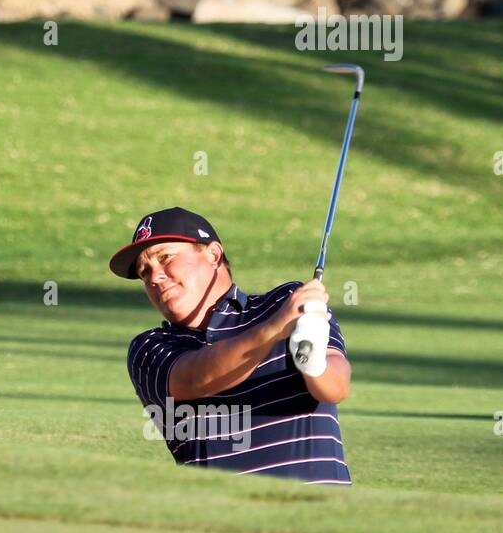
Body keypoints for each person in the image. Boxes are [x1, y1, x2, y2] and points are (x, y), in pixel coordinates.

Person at [110, 207, 352, 484]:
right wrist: (273, 329)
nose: (154, 277)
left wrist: (313, 362)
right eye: (145, 272)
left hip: (318, 513)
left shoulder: (285, 300)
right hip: (224, 518)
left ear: (213, 254)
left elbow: (337, 387)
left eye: (165, 258)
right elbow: (198, 378)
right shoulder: (150, 348)